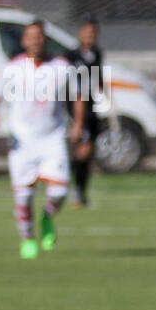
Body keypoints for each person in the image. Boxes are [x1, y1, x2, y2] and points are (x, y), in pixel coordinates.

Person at [0, 19, 82, 259]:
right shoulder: (13, 69)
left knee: (60, 192)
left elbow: (78, 96)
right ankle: (27, 239)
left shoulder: (62, 67)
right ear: (24, 41)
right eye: (31, 36)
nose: (36, 40)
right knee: (24, 196)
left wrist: (79, 123)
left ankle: (47, 216)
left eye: (39, 36)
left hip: (52, 138)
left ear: (45, 39)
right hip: (23, 140)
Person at [62, 16, 104, 208]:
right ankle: (75, 191)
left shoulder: (97, 54)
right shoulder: (70, 56)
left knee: (87, 150)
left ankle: (80, 192)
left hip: (91, 107)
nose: (89, 36)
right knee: (83, 150)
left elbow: (98, 80)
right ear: (79, 34)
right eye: (86, 33)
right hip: (75, 107)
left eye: (93, 33)